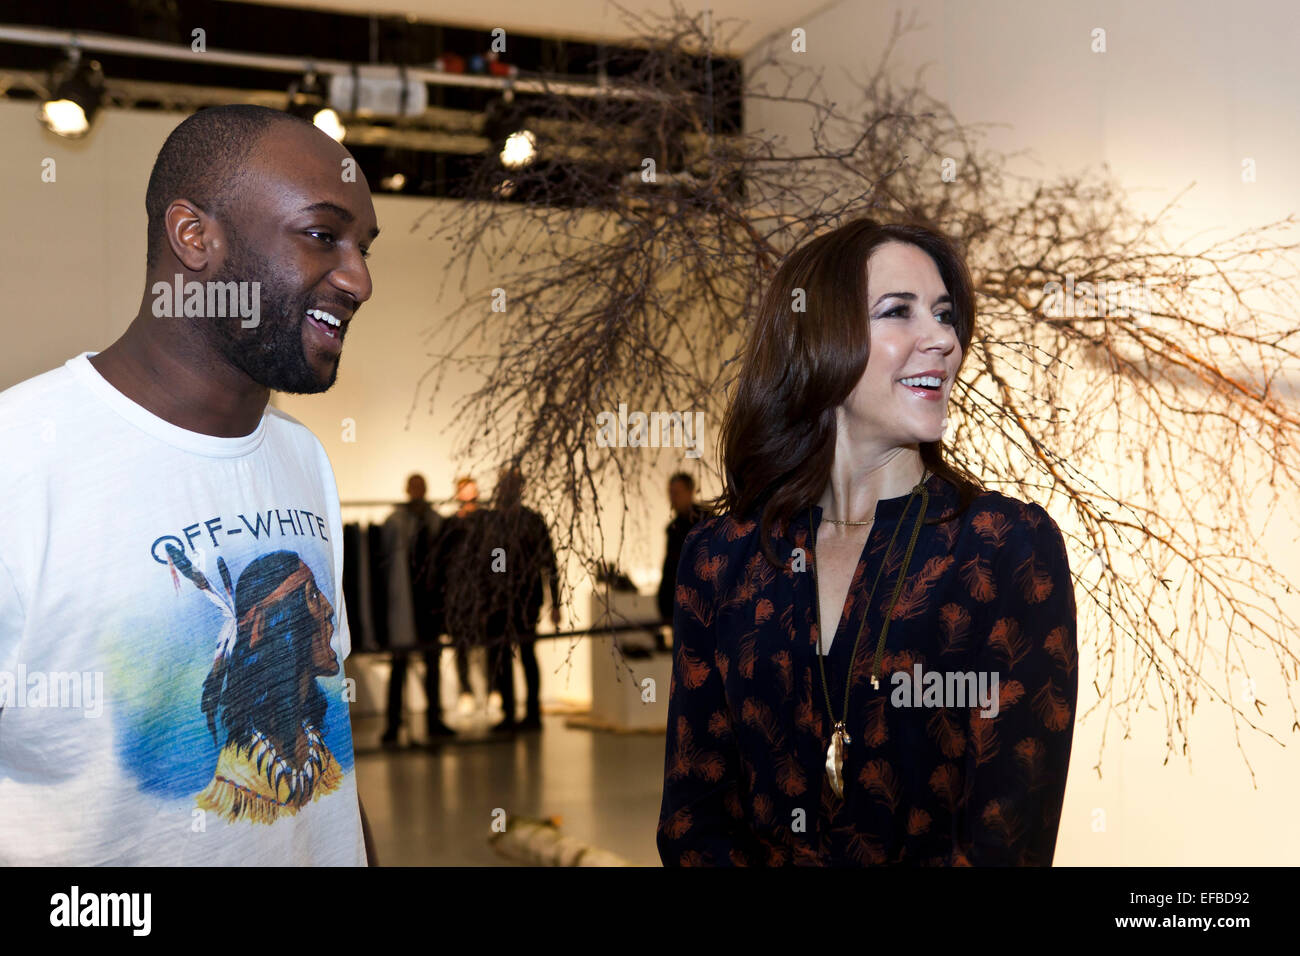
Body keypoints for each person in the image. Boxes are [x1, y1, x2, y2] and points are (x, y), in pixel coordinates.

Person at [0, 105, 380, 865]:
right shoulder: (21, 460)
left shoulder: (303, 461)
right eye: (321, 235)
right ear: (194, 237)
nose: (359, 280)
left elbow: (326, 752)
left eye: (364, 249)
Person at [657, 217, 1078, 866]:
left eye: (944, 315)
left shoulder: (1004, 548)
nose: (943, 339)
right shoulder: (721, 558)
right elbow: (692, 819)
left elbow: (1007, 842)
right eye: (899, 312)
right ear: (818, 337)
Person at [475, 466, 561, 733]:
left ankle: (530, 713)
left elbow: (549, 563)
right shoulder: (494, 521)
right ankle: (511, 712)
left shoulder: (530, 521)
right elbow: (487, 564)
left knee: (524, 654)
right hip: (502, 601)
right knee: (504, 656)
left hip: (524, 600)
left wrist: (555, 602)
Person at [382, 473, 453, 744]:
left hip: (429, 606)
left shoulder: (435, 522)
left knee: (432, 665)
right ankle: (393, 724)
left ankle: (434, 719)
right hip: (405, 605)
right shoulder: (396, 523)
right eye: (414, 487)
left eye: (421, 486)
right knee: (399, 666)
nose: (418, 491)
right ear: (407, 489)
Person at [656, 472, 708, 650]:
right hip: (682, 607)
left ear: (690, 492)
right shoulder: (674, 528)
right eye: (670, 493)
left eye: (676, 493)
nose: (672, 498)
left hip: (702, 606)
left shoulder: (706, 522)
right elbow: (670, 569)